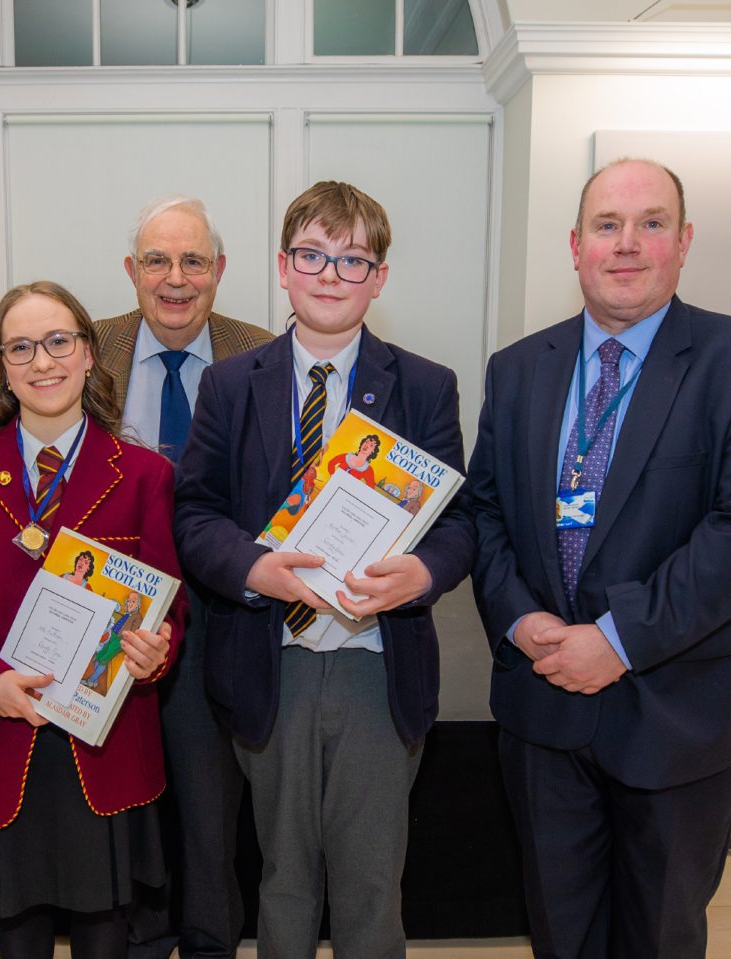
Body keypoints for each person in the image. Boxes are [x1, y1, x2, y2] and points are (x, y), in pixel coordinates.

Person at [465, 158, 731, 958]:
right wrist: (519, 621)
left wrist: (614, 640)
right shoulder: (518, 368)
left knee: (658, 935)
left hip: (675, 714)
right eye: (607, 226)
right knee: (560, 930)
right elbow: (485, 511)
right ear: (575, 245)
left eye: (650, 223)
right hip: (543, 707)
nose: (627, 244)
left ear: (683, 243)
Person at [174, 181, 472, 958]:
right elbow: (195, 515)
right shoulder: (230, 384)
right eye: (313, 254)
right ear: (283, 266)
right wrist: (253, 567)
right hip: (272, 660)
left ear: (379, 277)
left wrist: (426, 574)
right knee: (284, 876)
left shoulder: (426, 384)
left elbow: (463, 523)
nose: (330, 274)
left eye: (352, 260)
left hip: (380, 660)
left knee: (373, 880)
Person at [0, 280, 187, 959]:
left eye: (59, 341)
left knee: (105, 929)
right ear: (1, 367)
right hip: (3, 732)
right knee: (20, 929)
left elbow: (169, 605)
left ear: (89, 354)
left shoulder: (146, 474)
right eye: (22, 347)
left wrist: (158, 648)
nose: (43, 361)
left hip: (105, 738)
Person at [94, 195, 272, 959]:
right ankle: (135, 938)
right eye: (158, 261)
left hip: (217, 611)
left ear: (220, 271)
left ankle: (206, 940)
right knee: (118, 799)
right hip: (104, 611)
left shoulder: (263, 352)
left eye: (193, 260)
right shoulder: (85, 345)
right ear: (132, 271)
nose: (176, 278)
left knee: (207, 805)